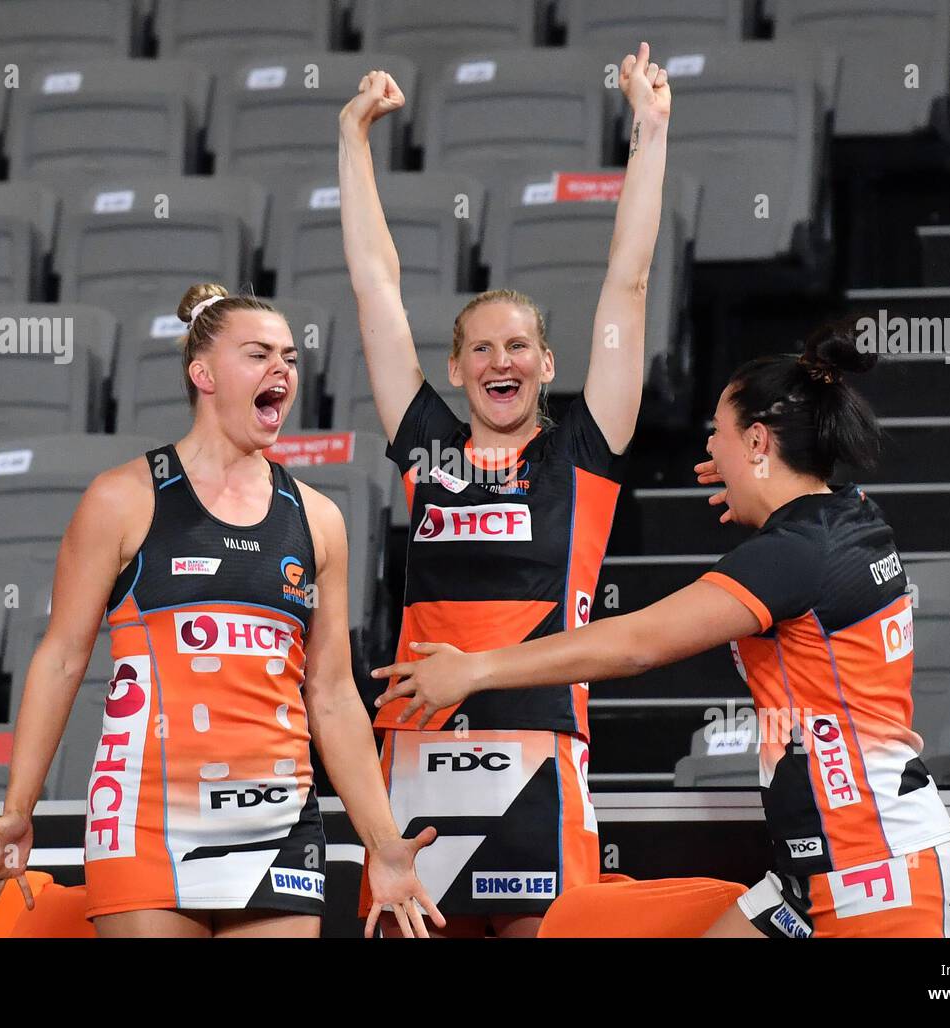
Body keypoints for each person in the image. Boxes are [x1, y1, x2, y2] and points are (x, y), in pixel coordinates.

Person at [372, 323, 950, 939]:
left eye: (721, 433)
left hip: (874, 869)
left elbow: (636, 645)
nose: (709, 449)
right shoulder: (848, 517)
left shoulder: (797, 554)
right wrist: (761, 491)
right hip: (805, 875)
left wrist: (476, 668)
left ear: (759, 439)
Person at [0, 284, 444, 939]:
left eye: (290, 358)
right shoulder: (121, 499)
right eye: (258, 355)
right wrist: (20, 808)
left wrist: (383, 840)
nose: (282, 370)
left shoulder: (319, 519)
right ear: (203, 373)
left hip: (278, 822)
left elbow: (331, 695)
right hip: (145, 816)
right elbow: (61, 658)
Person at [337, 43, 671, 937]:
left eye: (518, 345)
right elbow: (375, 289)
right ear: (455, 367)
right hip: (414, 755)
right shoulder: (429, 455)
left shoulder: (582, 456)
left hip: (538, 751)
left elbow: (627, 285)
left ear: (547, 365)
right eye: (480, 348)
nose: (500, 361)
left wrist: (652, 127)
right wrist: (352, 140)